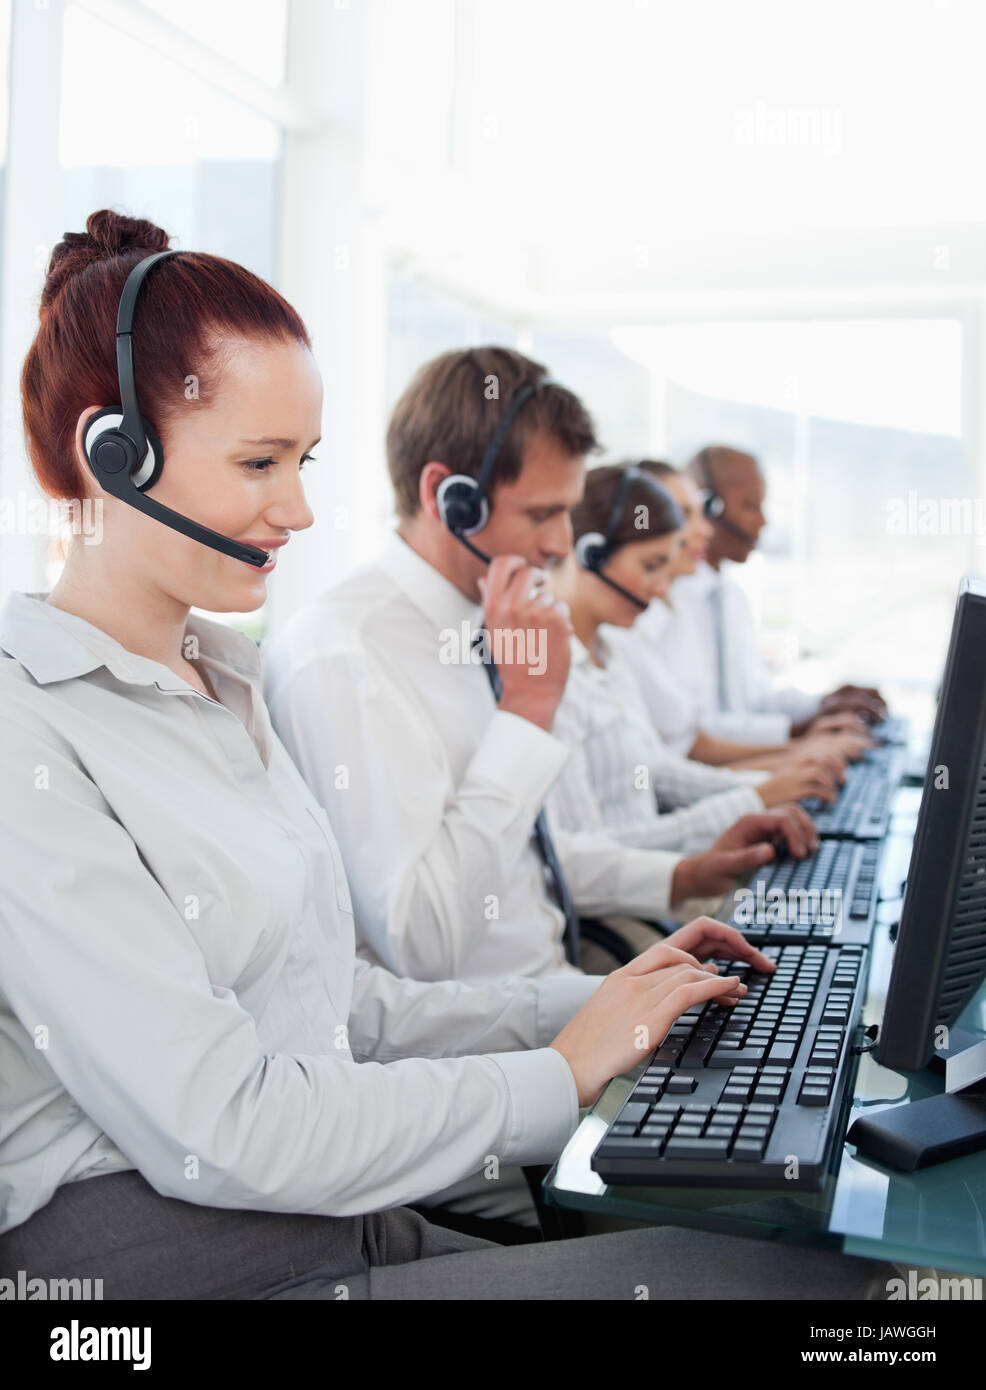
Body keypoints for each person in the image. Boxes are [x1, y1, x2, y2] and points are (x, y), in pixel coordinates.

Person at [0, 211, 895, 1301]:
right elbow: (223, 1122)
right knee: (805, 1294)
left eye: (304, 460)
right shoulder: (30, 730)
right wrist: (560, 1072)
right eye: (257, 463)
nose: (298, 509)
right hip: (181, 1262)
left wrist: (598, 1002)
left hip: (332, 1210)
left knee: (822, 1270)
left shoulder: (216, 680)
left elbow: (340, 1008)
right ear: (111, 456)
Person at [264, 348, 817, 995]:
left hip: (558, 998)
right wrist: (527, 711)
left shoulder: (488, 619)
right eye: (540, 514)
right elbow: (420, 941)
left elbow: (529, 858)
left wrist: (683, 876)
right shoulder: (347, 656)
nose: (561, 544)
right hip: (488, 1055)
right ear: (450, 499)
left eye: (567, 510)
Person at [609, 460, 874, 772]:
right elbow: (687, 747)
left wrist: (818, 713)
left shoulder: (723, 597)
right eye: (750, 506)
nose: (762, 522)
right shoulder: (638, 620)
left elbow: (746, 702)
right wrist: (797, 750)